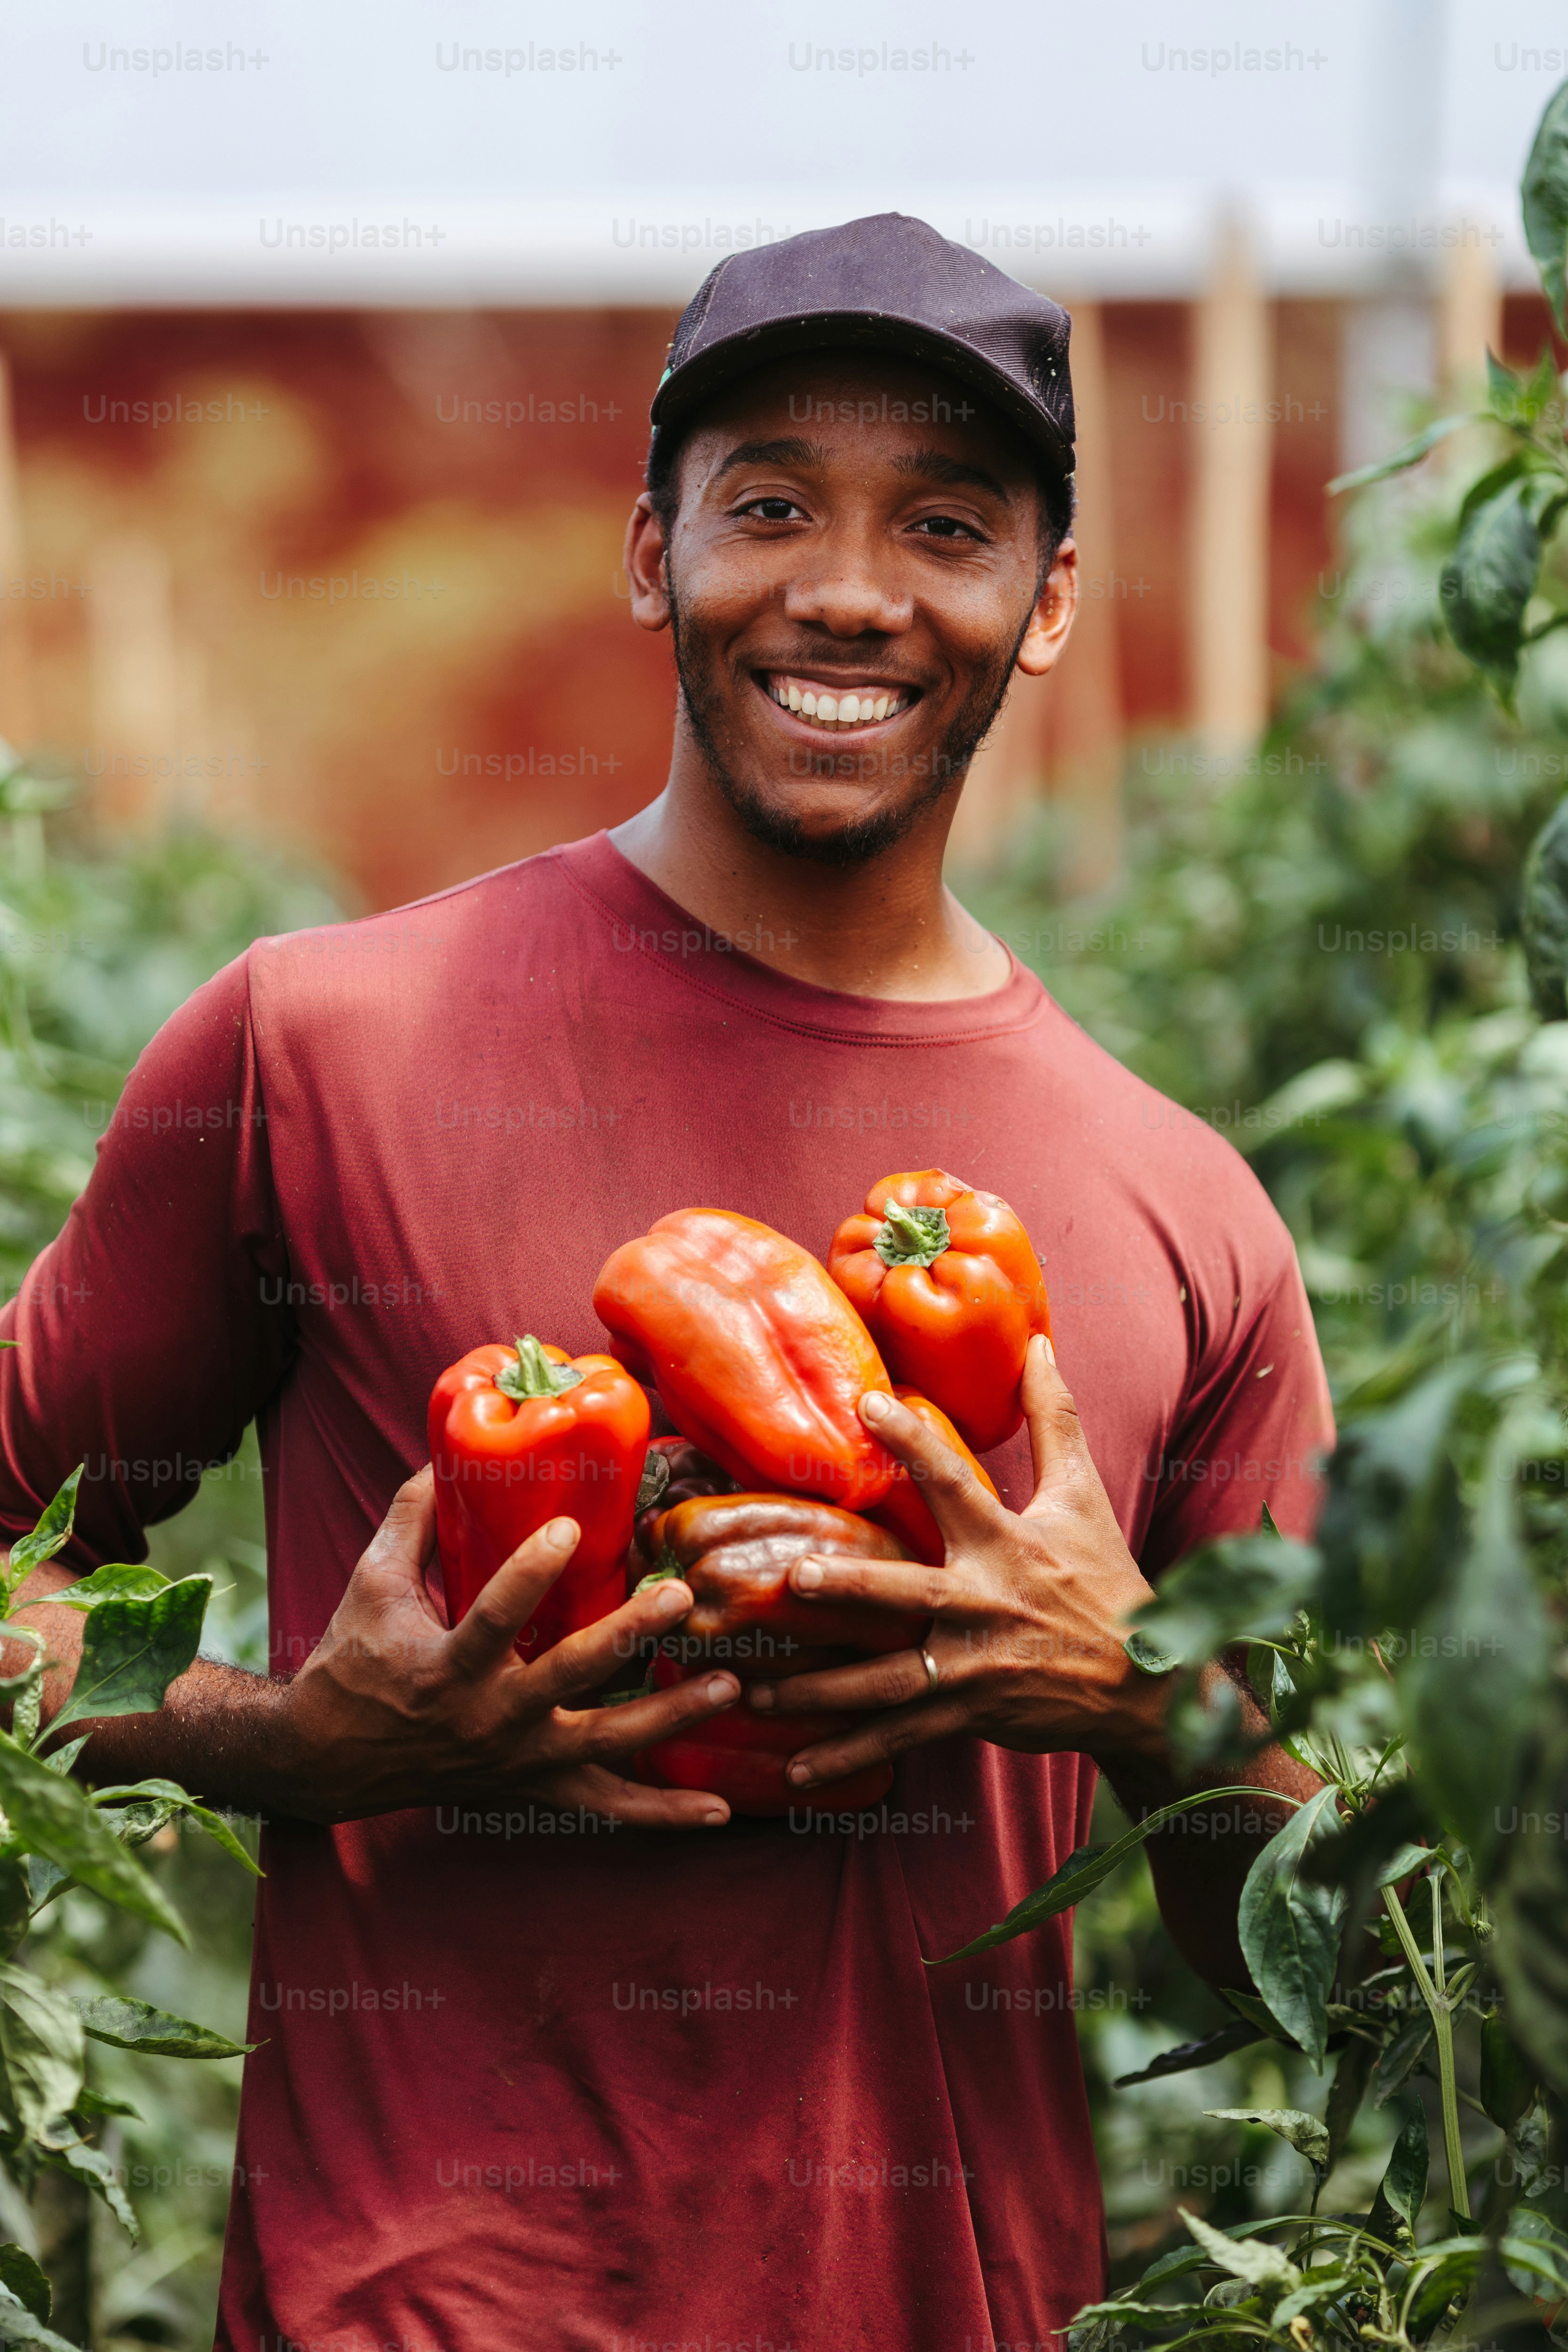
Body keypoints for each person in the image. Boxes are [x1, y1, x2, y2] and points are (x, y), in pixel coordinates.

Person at [0, 215, 1332, 2352]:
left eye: (950, 523)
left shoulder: (1190, 1208)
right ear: (650, 552)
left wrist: (1144, 1691)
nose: (846, 587)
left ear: (1052, 599)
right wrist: (268, 1733)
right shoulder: (315, 1043)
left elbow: (1327, 1944)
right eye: (771, 501)